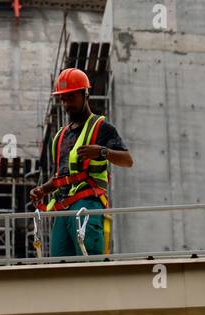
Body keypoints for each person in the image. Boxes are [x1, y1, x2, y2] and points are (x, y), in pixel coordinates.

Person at [30, 68, 133, 258]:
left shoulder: (101, 128)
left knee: (90, 266)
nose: (66, 104)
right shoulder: (61, 136)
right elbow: (62, 177)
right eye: (63, 99)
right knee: (60, 267)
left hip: (88, 206)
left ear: (85, 94)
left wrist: (102, 151)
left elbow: (127, 160)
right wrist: (43, 189)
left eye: (71, 97)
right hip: (63, 210)